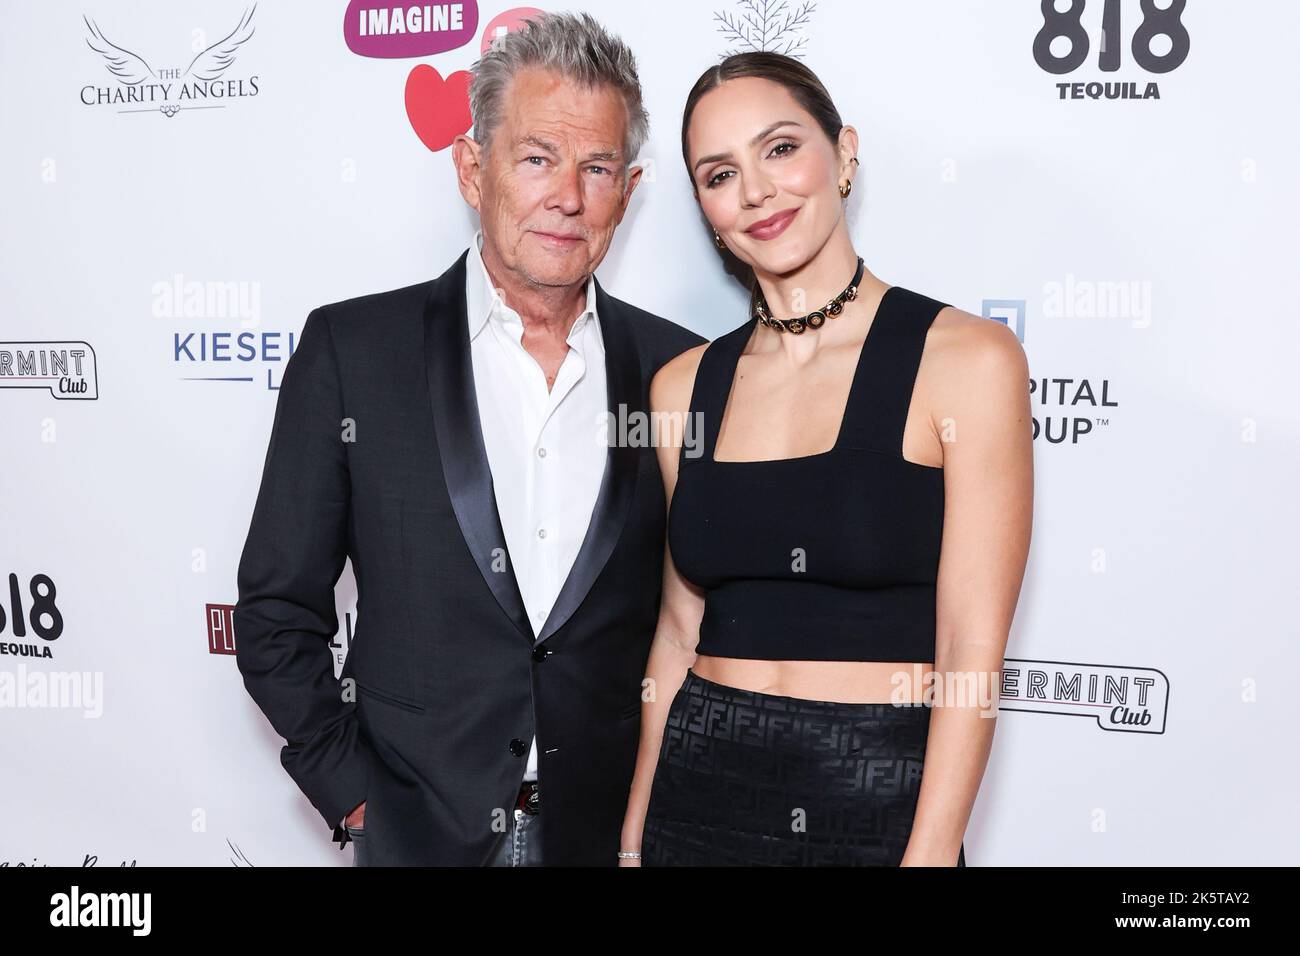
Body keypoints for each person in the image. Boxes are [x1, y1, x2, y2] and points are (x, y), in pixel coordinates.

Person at [233, 12, 704, 866]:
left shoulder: (678, 369)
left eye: (597, 167)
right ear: (471, 169)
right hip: (419, 835)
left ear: (627, 192)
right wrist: (359, 796)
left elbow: (695, 618)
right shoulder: (355, 353)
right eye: (536, 159)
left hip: (610, 841)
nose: (568, 196)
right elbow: (274, 612)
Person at [619, 52, 1033, 866]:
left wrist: (928, 855)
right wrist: (635, 838)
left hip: (877, 801)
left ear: (844, 156)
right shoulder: (680, 389)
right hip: (696, 799)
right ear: (704, 207)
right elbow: (676, 633)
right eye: (719, 173)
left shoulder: (967, 360)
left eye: (780, 149)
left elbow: (970, 650)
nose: (757, 192)